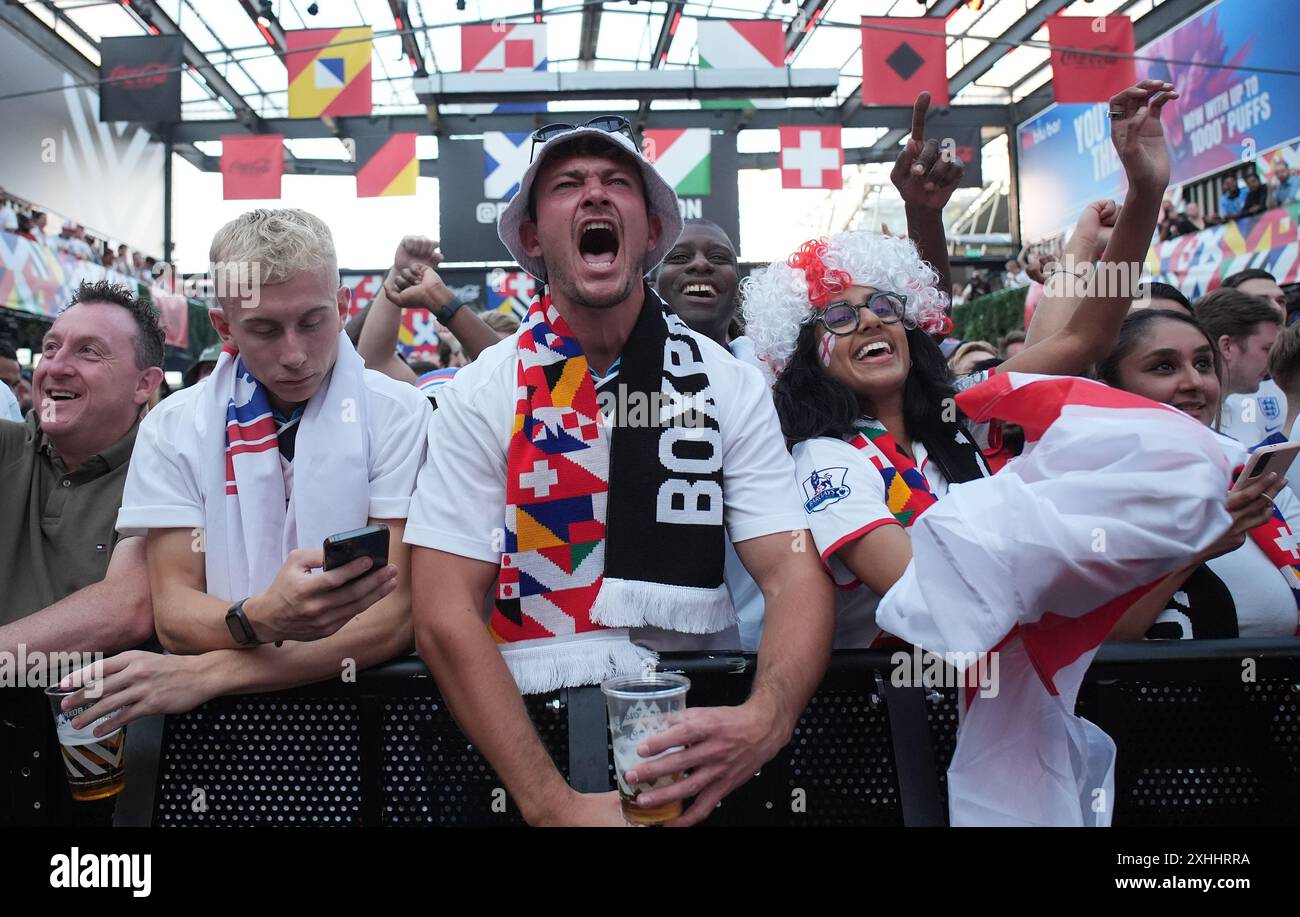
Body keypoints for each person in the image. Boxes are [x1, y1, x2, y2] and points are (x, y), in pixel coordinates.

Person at [404, 116, 838, 827]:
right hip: (522, 743)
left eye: (616, 184)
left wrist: (768, 715)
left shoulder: (728, 384)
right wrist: (551, 803)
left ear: (649, 229)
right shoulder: (483, 389)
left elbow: (793, 570)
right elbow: (443, 611)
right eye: (568, 184)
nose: (594, 196)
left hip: (700, 739)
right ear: (534, 239)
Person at [742, 78, 1179, 650]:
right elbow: (944, 600)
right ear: (807, 358)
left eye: (882, 306)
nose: (870, 322)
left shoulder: (963, 412)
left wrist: (1144, 190)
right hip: (896, 723)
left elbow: (1085, 337)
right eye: (840, 319)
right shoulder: (823, 460)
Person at [57, 209, 432, 739]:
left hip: (368, 725)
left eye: (313, 321)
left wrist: (216, 667)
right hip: (226, 735)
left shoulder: (401, 413)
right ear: (224, 326)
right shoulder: (174, 425)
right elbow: (175, 614)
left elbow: (397, 616)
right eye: (264, 329)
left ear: (343, 305)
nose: (295, 353)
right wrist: (264, 617)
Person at [1096, 309, 1297, 639]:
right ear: (1108, 392)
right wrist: (1198, 548)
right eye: (1164, 367)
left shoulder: (1241, 475)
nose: (1194, 382)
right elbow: (1090, 647)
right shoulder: (1081, 495)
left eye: (1204, 364)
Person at [0, 281, 162, 659]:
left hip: (101, 715)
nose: (56, 366)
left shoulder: (167, 468)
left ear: (144, 384)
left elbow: (126, 610)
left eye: (88, 351)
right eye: (50, 348)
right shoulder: (7, 447)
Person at [653, 218, 766, 649]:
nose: (700, 265)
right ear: (650, 280)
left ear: (738, 284)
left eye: (719, 258)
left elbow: (917, 341)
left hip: (771, 644)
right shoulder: (617, 379)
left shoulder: (780, 374)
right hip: (656, 662)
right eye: (679, 257)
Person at [355, 235, 500, 385]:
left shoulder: (516, 389)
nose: (502, 357)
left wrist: (436, 294)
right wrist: (400, 272)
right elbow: (376, 364)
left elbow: (503, 372)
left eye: (508, 349)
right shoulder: (441, 389)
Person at [1197, 287, 1284, 444]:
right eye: (1267, 349)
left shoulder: (1241, 412)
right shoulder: (1184, 417)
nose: (1273, 359)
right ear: (1227, 347)